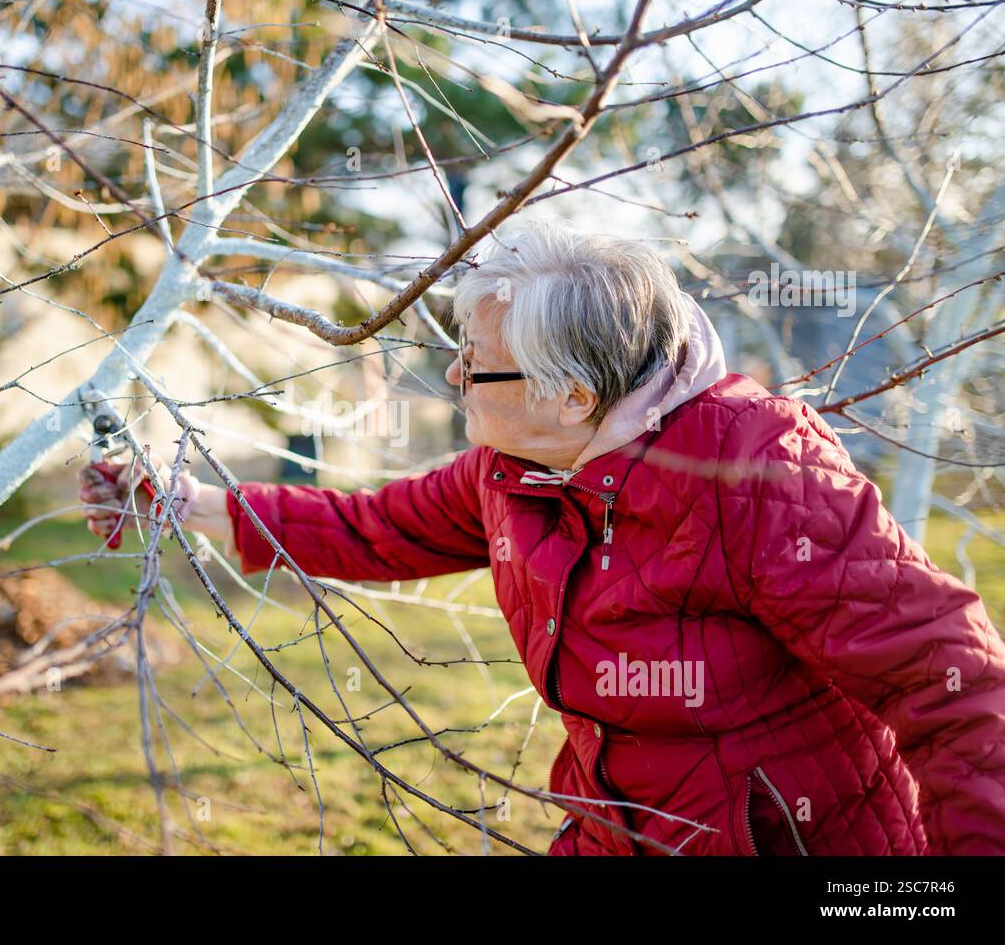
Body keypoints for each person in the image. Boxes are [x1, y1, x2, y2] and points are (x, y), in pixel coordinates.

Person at [79, 221, 1005, 855]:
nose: (451, 374)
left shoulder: (766, 474)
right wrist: (178, 501)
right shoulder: (515, 466)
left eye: (476, 366)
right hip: (615, 829)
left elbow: (954, 685)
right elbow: (372, 527)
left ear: (571, 394)